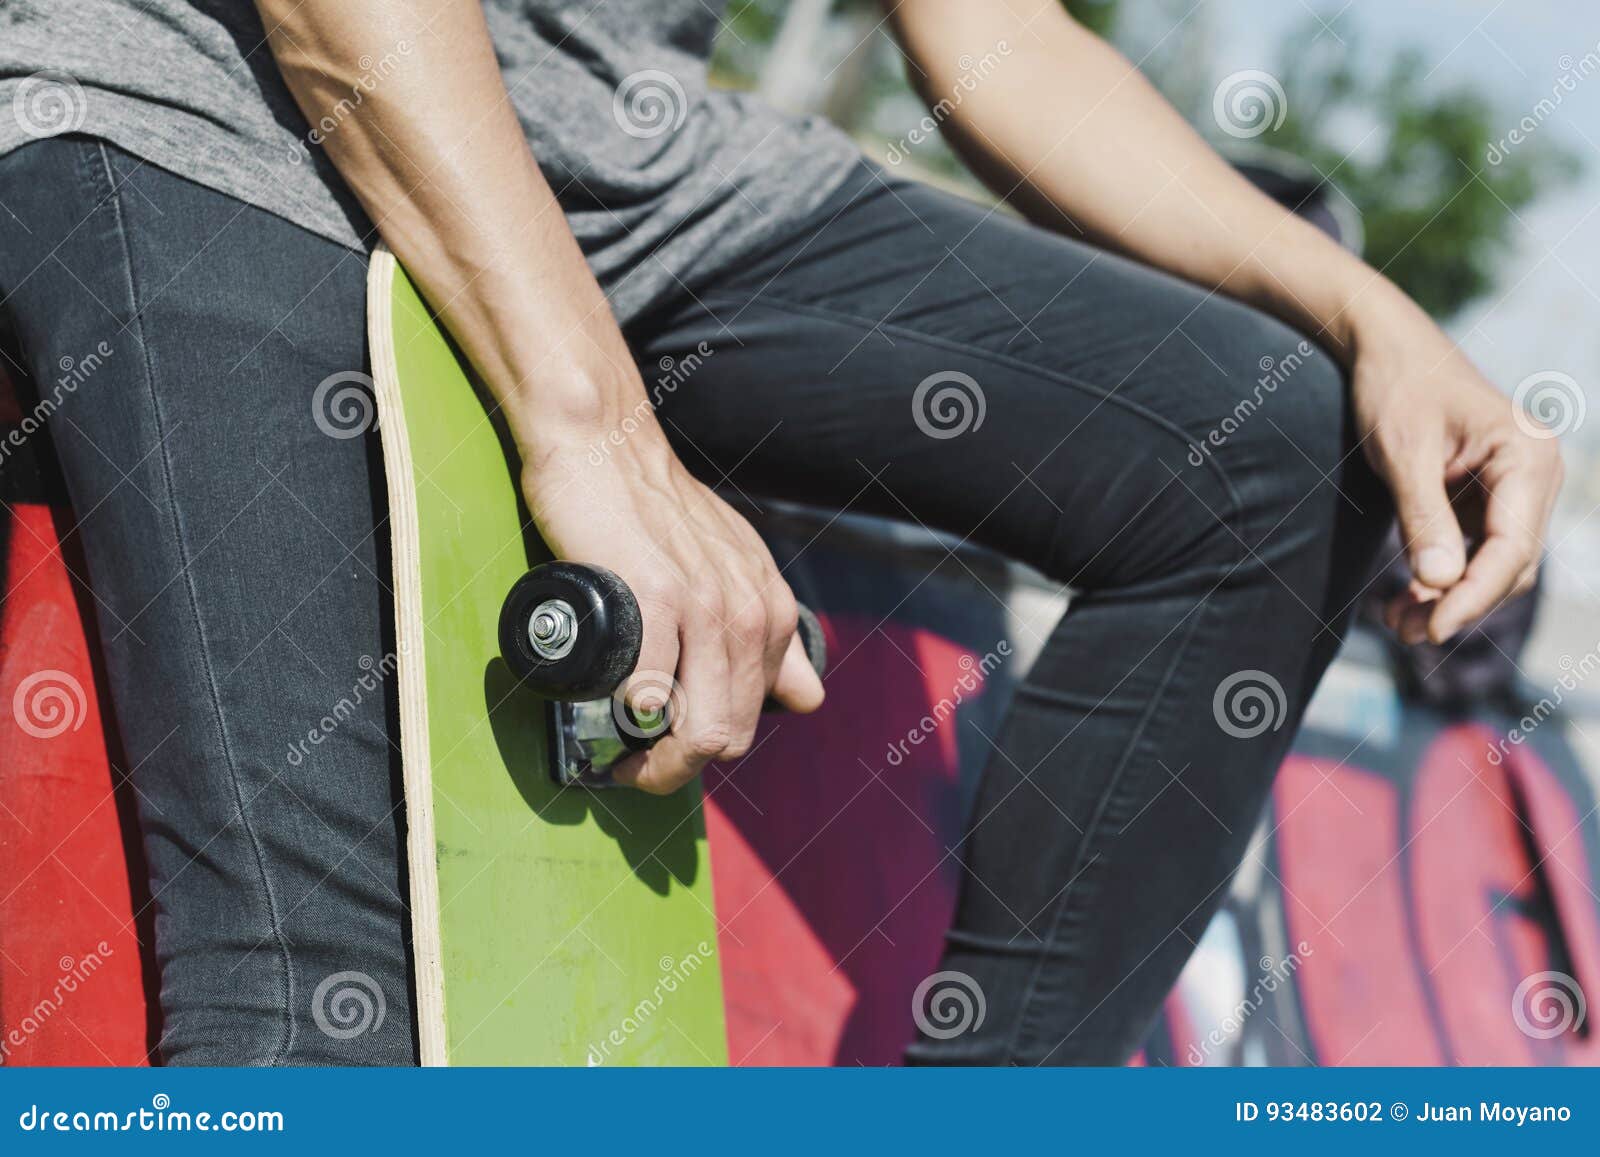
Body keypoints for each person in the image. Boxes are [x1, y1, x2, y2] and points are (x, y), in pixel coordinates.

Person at [0, 1, 1560, 1066]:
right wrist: (600, 434)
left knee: (1271, 450)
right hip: (229, 95)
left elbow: (998, 36)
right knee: (333, 1007)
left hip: (622, 158)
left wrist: (1370, 313)